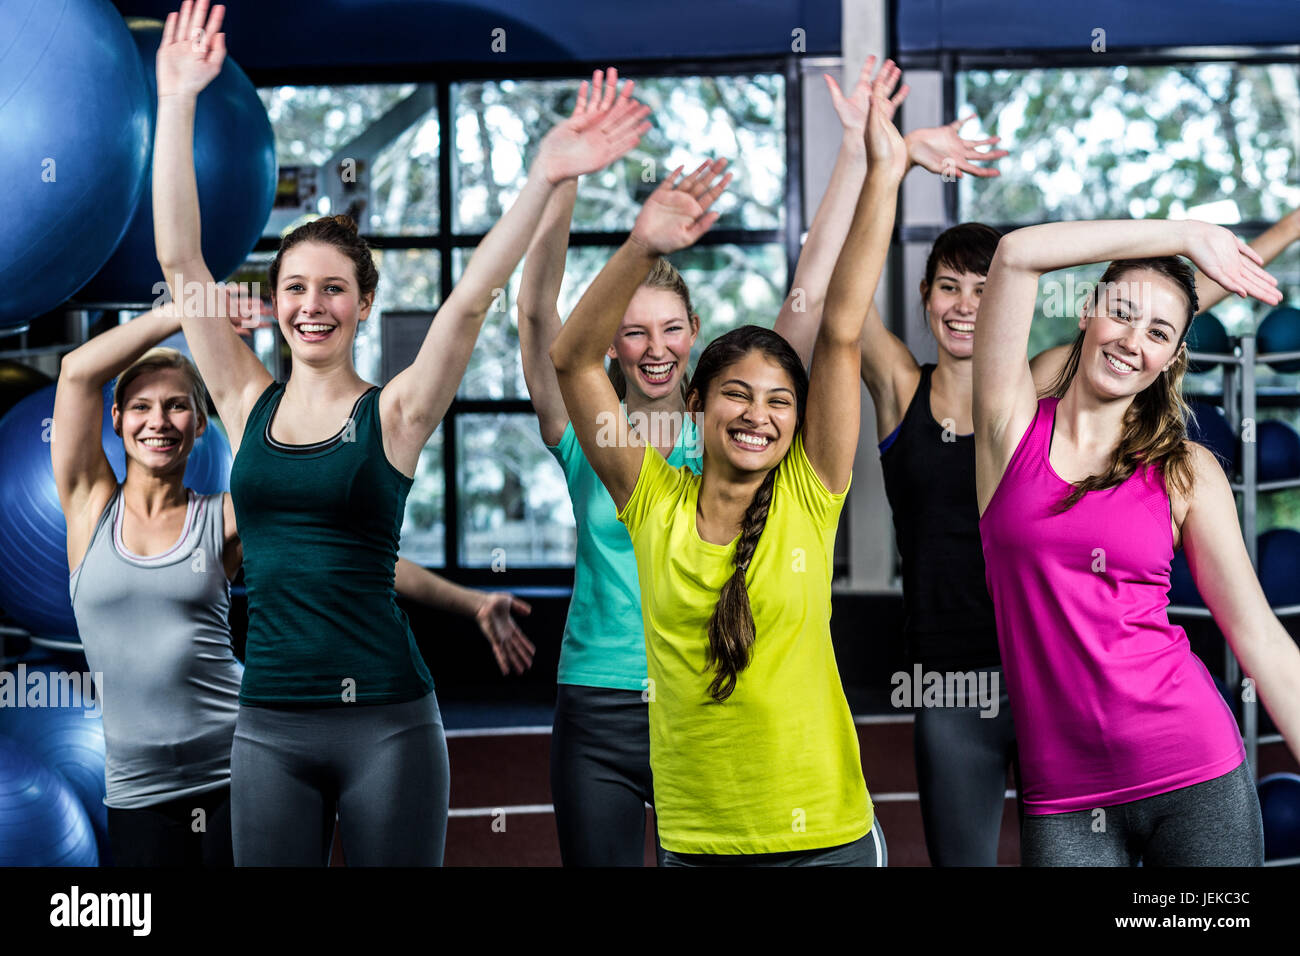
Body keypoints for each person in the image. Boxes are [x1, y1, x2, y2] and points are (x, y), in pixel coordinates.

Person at [151, 0, 643, 864]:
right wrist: (177, 98)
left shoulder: (398, 413)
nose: (313, 305)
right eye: (296, 287)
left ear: (364, 303)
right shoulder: (243, 398)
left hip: (388, 724)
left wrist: (546, 177)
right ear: (275, 303)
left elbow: (470, 299)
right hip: (267, 725)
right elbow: (181, 262)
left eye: (334, 288)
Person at [549, 58, 908, 864]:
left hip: (827, 836)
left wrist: (881, 167)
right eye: (739, 396)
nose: (759, 414)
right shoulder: (651, 497)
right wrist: (644, 242)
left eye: (781, 401)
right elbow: (570, 357)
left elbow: (839, 324)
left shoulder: (809, 494)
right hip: (700, 841)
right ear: (698, 404)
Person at [52, 301, 535, 867]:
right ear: (116, 419)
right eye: (141, 407)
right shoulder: (88, 507)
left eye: (177, 405)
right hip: (137, 790)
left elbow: (348, 556)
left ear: (199, 423)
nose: (158, 421)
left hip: (235, 769)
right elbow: (76, 372)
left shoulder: (226, 518)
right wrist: (184, 314)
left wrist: (471, 601)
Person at [973, 216, 1300, 865]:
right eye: (1121, 313)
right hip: (1064, 796)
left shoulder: (1187, 470)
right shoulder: (1009, 428)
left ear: (1173, 356)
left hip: (1196, 773)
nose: (1131, 342)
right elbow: (1014, 256)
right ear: (1088, 310)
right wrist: (1182, 235)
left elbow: (1257, 634)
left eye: (1157, 333)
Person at [770, 65, 1024, 866]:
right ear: (923, 296)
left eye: (985, 291)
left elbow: (1155, 315)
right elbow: (823, 296)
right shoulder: (897, 387)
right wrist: (885, 160)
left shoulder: (1042, 384)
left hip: (1043, 664)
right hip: (947, 681)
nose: (963, 305)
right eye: (947, 287)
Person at [517, 69, 701, 867]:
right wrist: (563, 178)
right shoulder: (591, 428)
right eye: (632, 333)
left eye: (670, 330)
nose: (654, 349)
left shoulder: (736, 432)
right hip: (598, 699)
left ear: (694, 330)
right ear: (610, 344)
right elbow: (535, 315)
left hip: (707, 694)